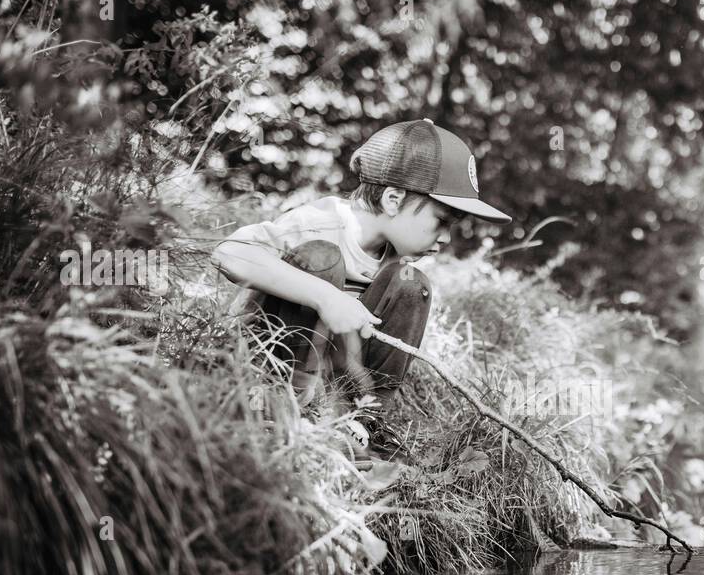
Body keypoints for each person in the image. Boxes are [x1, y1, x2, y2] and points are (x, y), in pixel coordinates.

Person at [212, 118, 511, 431]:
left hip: (328, 381)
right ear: (393, 200)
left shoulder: (396, 258)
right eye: (442, 222)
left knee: (412, 285)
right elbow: (229, 252)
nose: (446, 238)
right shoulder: (322, 222)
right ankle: (275, 409)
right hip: (260, 369)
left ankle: (362, 421)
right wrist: (325, 297)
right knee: (321, 257)